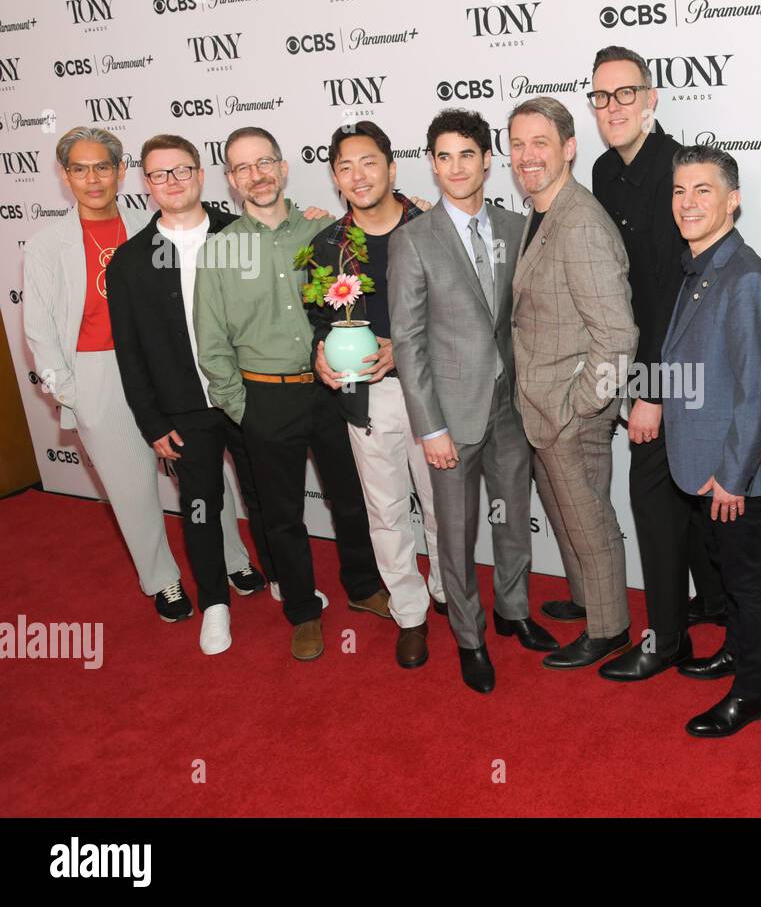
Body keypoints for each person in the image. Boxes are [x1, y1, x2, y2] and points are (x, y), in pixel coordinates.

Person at [195, 126, 387, 662]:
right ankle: (302, 610)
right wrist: (244, 409)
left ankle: (365, 585)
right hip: (264, 400)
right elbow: (210, 343)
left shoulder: (327, 231)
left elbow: (385, 239)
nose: (256, 175)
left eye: (264, 163)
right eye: (242, 168)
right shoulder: (220, 249)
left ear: (282, 168)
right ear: (231, 180)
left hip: (331, 393)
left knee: (352, 499)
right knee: (281, 516)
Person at [389, 109, 556, 693]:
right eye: (443, 156)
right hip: (451, 420)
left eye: (467, 154)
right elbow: (408, 343)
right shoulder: (413, 241)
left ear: (488, 160)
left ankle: (513, 610)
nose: (456, 167)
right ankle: (469, 636)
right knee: (455, 536)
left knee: (512, 522)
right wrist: (429, 426)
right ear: (432, 165)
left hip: (511, 409)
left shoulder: (516, 227)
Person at [107, 133, 277, 654]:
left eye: (181, 171)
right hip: (184, 411)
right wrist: (152, 423)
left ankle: (283, 579)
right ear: (147, 185)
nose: (172, 182)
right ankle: (215, 606)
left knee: (268, 495)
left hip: (251, 395)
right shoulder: (131, 262)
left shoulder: (243, 234)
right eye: (159, 175)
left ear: (201, 175)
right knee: (201, 507)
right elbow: (130, 354)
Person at [587, 44, 725, 682]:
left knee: (654, 499)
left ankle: (666, 637)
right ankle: (710, 605)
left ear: (651, 98)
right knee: (681, 492)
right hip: (634, 360)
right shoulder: (603, 171)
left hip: (677, 365)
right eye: (600, 96)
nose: (612, 107)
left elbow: (679, 290)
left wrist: (653, 391)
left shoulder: (678, 167)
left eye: (625, 94)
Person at [23, 126, 187, 621]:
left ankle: (230, 559)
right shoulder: (47, 245)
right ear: (65, 176)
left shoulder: (151, 224)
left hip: (162, 366)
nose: (92, 179)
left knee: (198, 471)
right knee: (132, 488)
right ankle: (164, 580)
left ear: (120, 172)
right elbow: (39, 333)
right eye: (79, 168)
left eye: (102, 167)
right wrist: (73, 395)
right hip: (95, 376)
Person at [306, 121, 451, 670]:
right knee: (386, 510)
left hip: (434, 391)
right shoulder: (327, 245)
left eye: (368, 162)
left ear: (392, 167)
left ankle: (446, 592)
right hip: (369, 397)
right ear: (336, 179)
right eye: (345, 167)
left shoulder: (434, 228)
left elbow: (465, 314)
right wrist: (321, 350)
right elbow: (319, 318)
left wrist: (407, 348)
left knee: (443, 505)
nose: (358, 175)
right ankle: (409, 613)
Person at [508, 96, 639, 670]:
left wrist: (581, 407)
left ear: (568, 148)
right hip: (542, 403)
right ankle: (589, 599)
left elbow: (617, 332)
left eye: (541, 143)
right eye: (517, 144)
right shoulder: (541, 212)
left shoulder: (581, 222)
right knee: (565, 515)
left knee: (590, 521)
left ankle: (610, 628)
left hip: (569, 409)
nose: (527, 155)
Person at [662, 145, 761, 738]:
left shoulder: (746, 278)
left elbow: (758, 390)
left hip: (732, 473)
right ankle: (737, 652)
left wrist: (735, 476)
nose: (688, 203)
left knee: (747, 580)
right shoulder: (702, 265)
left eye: (703, 191)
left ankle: (753, 692)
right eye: (680, 191)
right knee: (730, 576)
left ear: (733, 200)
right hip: (703, 464)